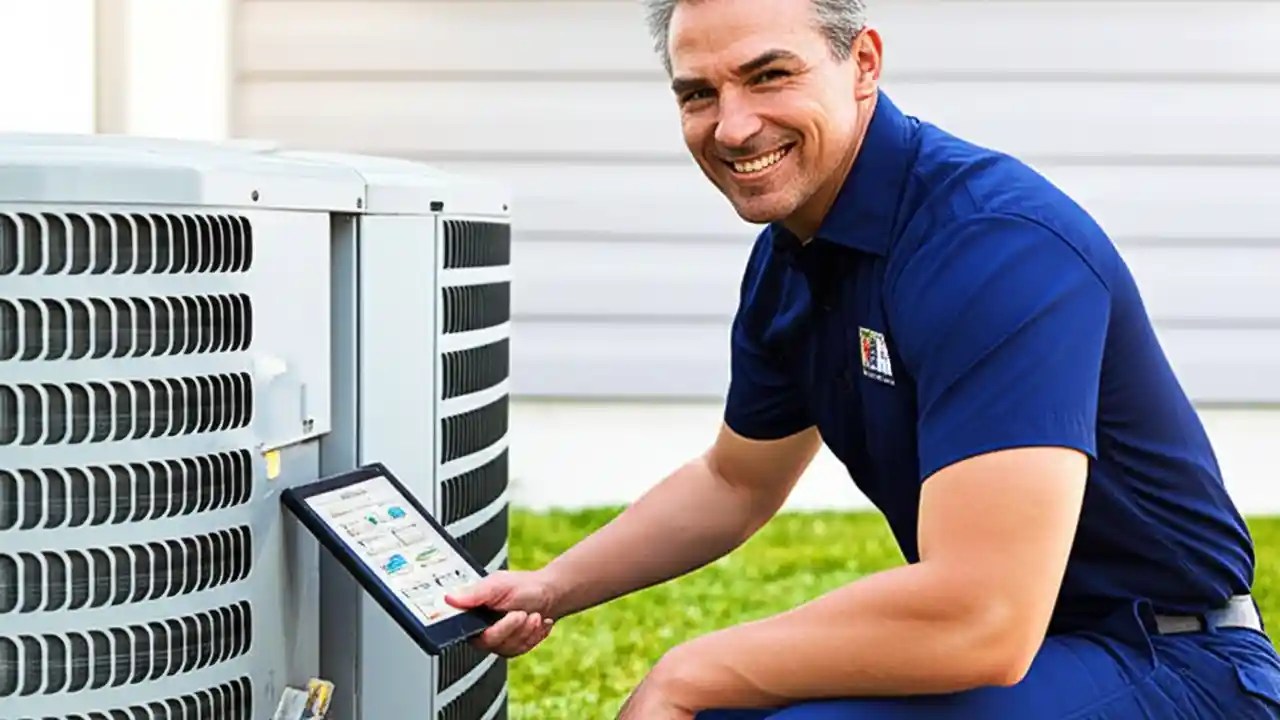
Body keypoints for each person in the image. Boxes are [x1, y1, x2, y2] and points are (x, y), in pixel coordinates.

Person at [444, 0, 1280, 717]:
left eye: (769, 75)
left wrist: (687, 668)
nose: (732, 126)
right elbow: (737, 480)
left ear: (863, 63)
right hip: (1041, 650)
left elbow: (980, 614)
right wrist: (552, 587)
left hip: (1180, 666)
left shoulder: (991, 246)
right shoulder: (797, 251)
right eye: (699, 93)